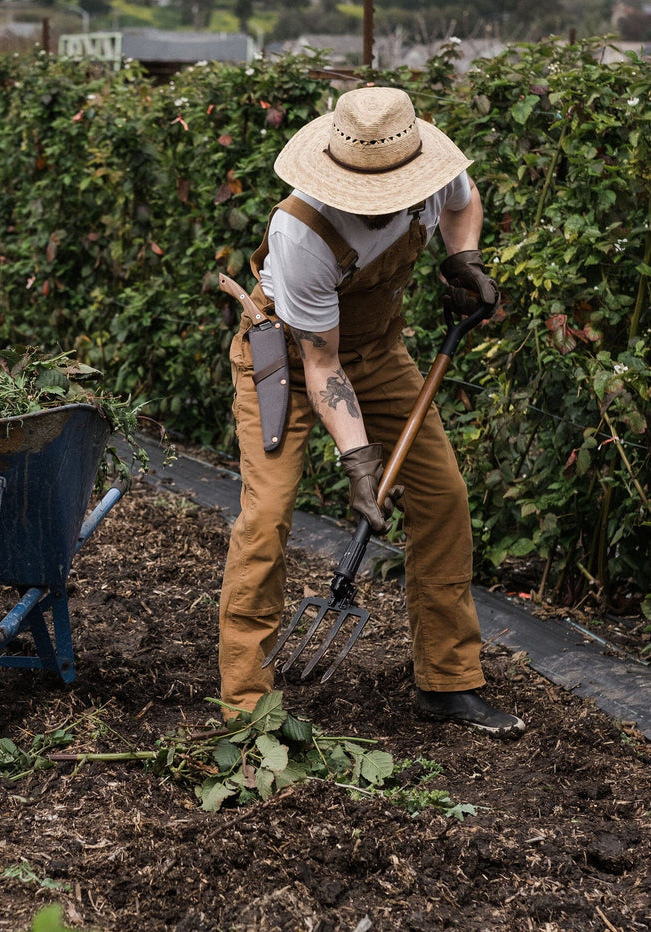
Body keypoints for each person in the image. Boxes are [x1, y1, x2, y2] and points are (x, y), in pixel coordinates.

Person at [218, 85, 525, 738]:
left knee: (442, 497)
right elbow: (321, 367)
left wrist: (462, 258)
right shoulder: (300, 231)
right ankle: (247, 708)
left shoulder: (424, 163)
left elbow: (463, 205)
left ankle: (448, 682)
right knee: (267, 517)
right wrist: (360, 462)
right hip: (290, 362)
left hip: (379, 352)